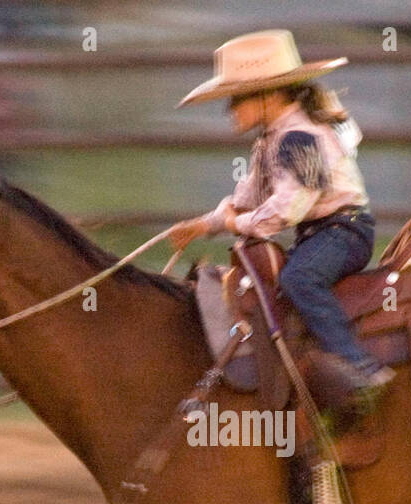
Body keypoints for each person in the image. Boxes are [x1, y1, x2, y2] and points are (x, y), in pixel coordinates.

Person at [169, 29, 394, 409]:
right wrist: (205, 224)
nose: (230, 110)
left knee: (299, 278)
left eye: (236, 99)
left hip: (344, 231)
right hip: (321, 233)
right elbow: (245, 199)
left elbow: (291, 208)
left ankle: (361, 365)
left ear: (269, 96)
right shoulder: (271, 140)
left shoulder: (300, 138)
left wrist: (234, 225)